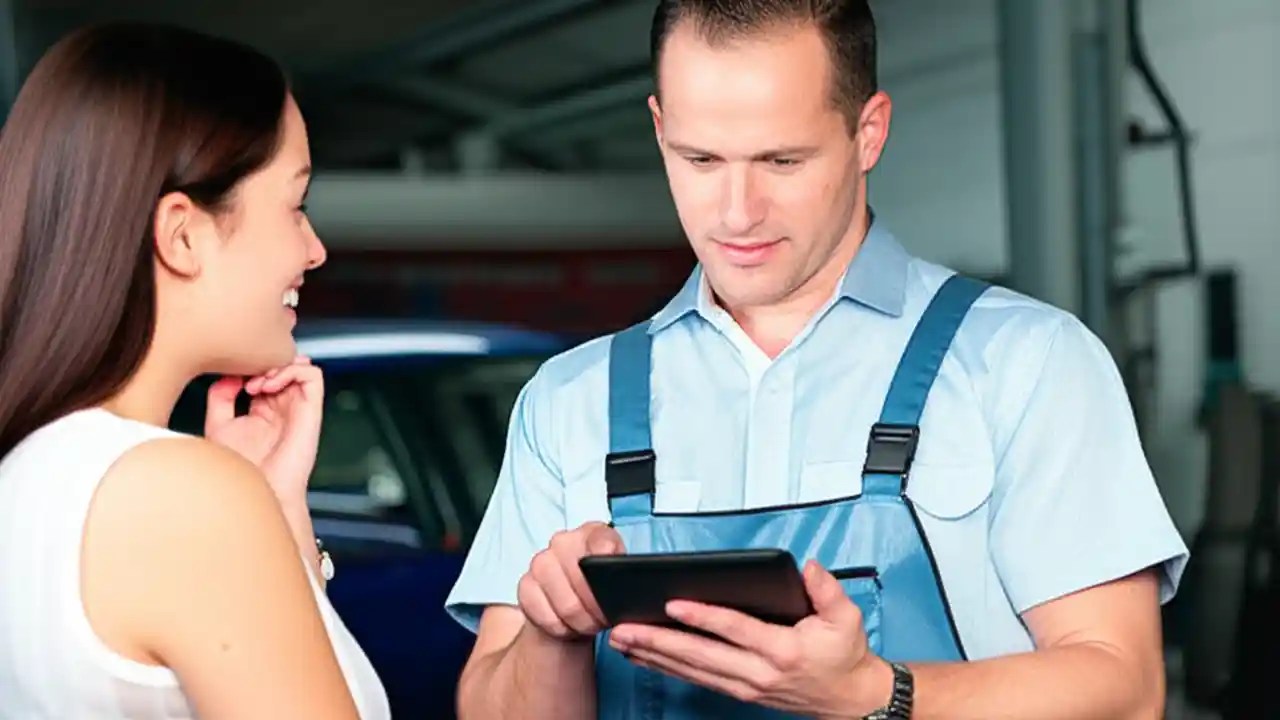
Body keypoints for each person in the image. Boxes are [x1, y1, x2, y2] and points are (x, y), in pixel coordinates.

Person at [445, 1, 1190, 718]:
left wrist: (877, 693)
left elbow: (1124, 692)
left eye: (782, 159)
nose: (737, 211)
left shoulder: (1028, 365)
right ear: (659, 128)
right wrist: (553, 634)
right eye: (700, 158)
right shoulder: (570, 402)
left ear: (869, 133)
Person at [0, 23, 389, 719]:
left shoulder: (30, 472)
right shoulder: (182, 493)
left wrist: (276, 509)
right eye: (296, 205)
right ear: (182, 234)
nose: (315, 249)